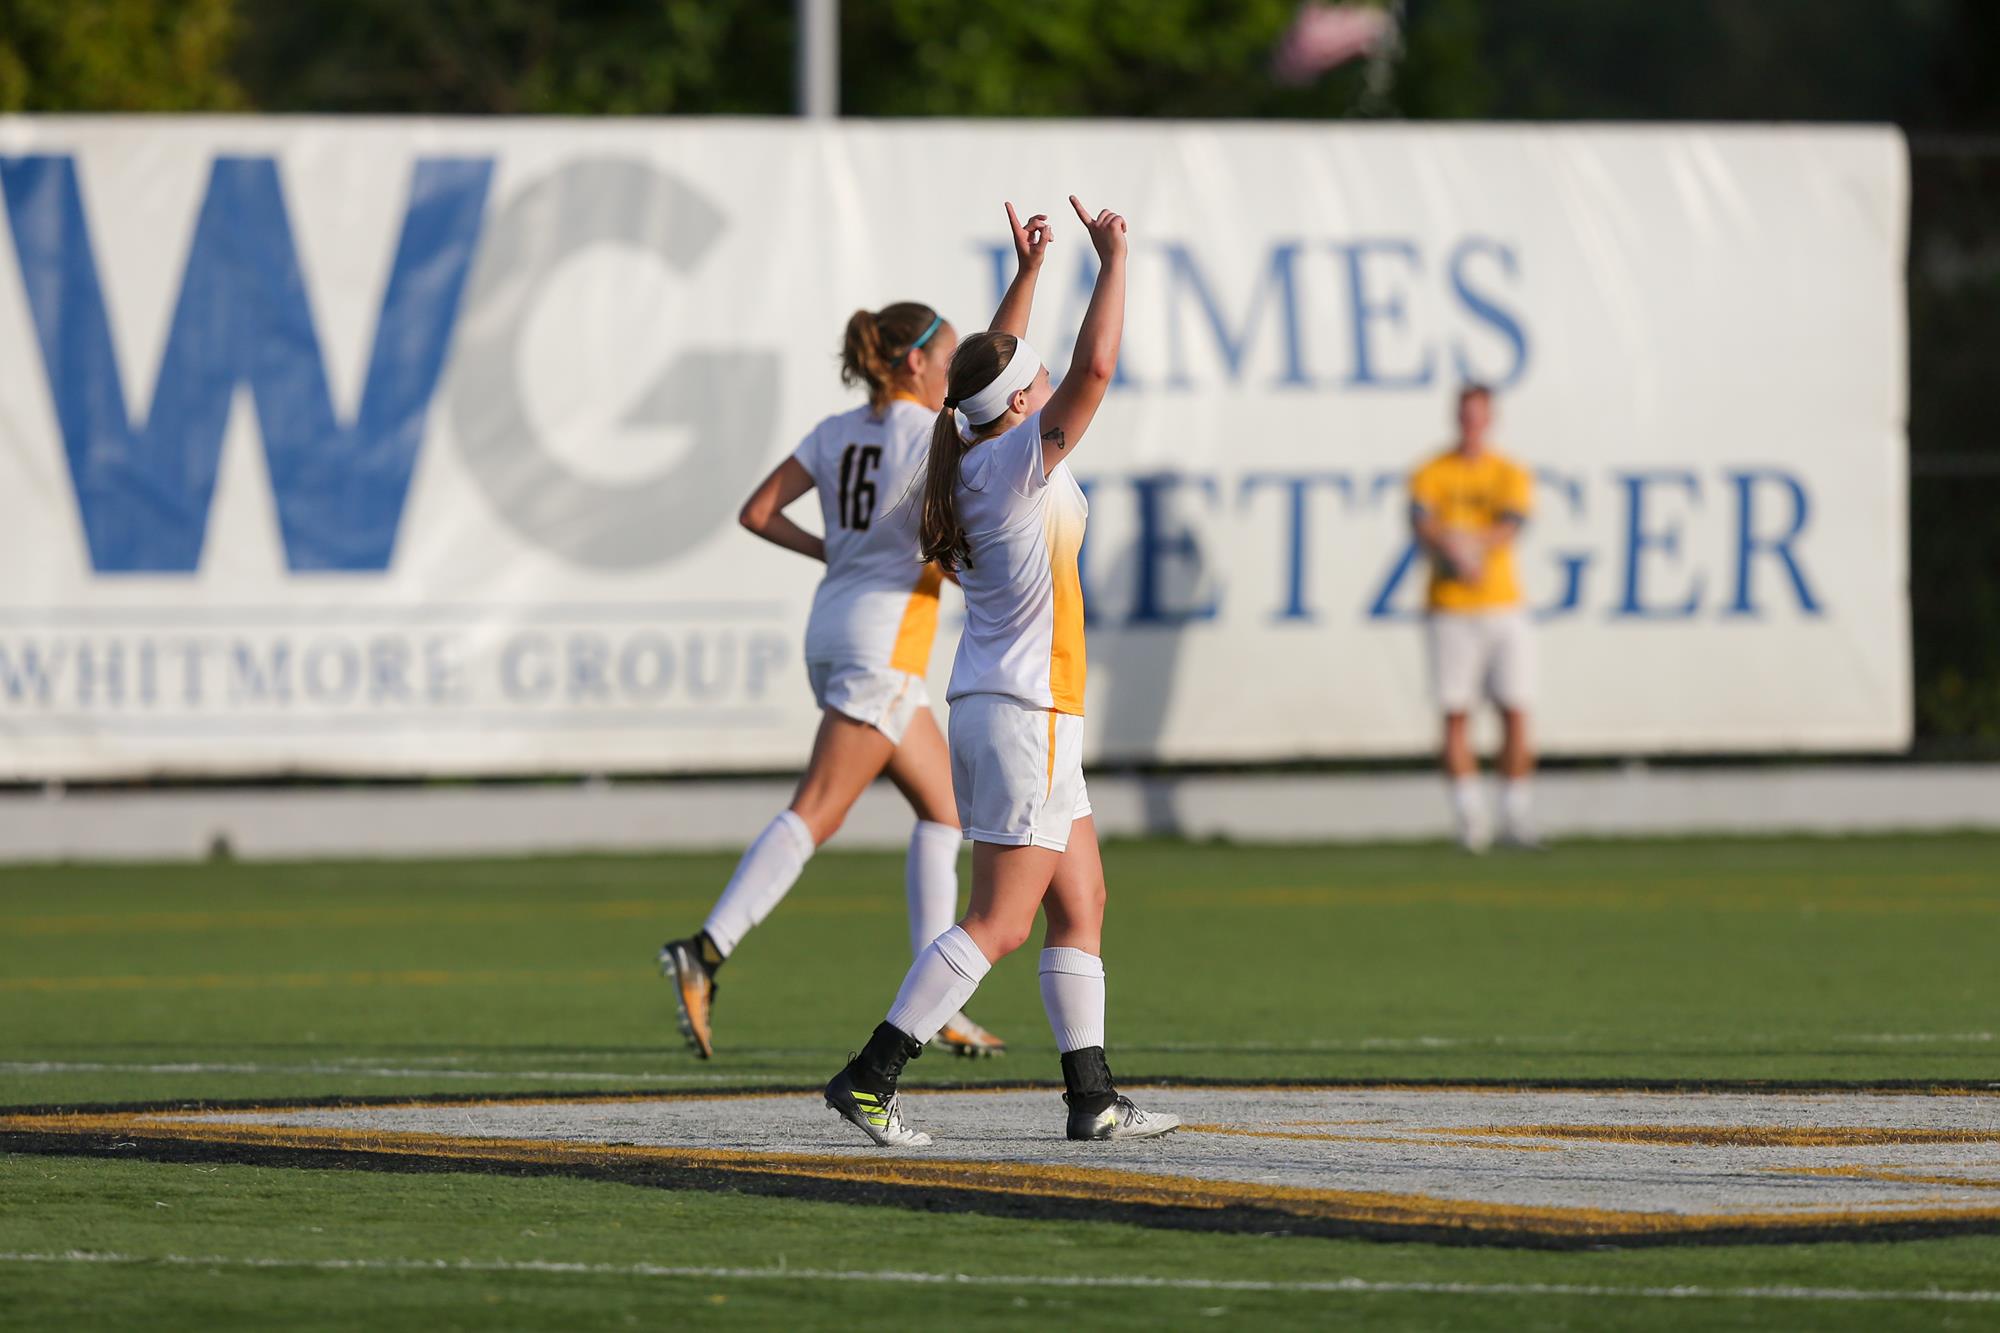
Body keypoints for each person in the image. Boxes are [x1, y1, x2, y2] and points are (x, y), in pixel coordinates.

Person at [821, 197, 1179, 1146]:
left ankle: (1092, 1095)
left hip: (1016, 705)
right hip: (1027, 713)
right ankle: (871, 1074)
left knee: (1083, 898)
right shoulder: (1014, 463)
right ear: (1023, 405)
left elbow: (986, 366)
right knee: (1001, 922)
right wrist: (1111, 263)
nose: (1050, 383)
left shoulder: (974, 450)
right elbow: (1096, 368)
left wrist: (1026, 273)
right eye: (1037, 383)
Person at [656, 260, 1054, 1060]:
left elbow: (758, 512)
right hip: (884, 641)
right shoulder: (929, 432)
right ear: (915, 364)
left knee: (946, 812)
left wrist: (834, 550)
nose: (953, 371)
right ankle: (704, 949)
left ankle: (937, 998)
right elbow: (954, 515)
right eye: (945, 358)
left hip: (833, 622)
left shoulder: (836, 432)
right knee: (820, 808)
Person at [1408, 384, 1540, 852]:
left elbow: (1511, 524)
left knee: (1515, 710)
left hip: (1502, 605)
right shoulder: (1431, 471)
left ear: (1491, 419)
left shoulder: (1509, 472)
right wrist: (1454, 548)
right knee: (1456, 713)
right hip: (1450, 609)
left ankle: (1516, 817)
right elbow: (1423, 522)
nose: (1472, 424)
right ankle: (1471, 823)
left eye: (1479, 415)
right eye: (1465, 415)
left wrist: (1471, 544)